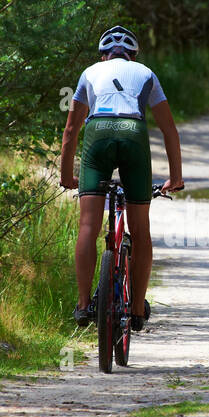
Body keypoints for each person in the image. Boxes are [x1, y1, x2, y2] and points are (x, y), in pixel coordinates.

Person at [59, 25, 183, 330]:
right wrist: (175, 176)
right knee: (140, 229)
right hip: (133, 133)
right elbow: (169, 129)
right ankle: (138, 308)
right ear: (133, 55)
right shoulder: (147, 73)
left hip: (97, 133)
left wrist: (66, 175)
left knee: (88, 225)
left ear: (103, 56)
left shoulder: (89, 73)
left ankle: (84, 304)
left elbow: (71, 130)